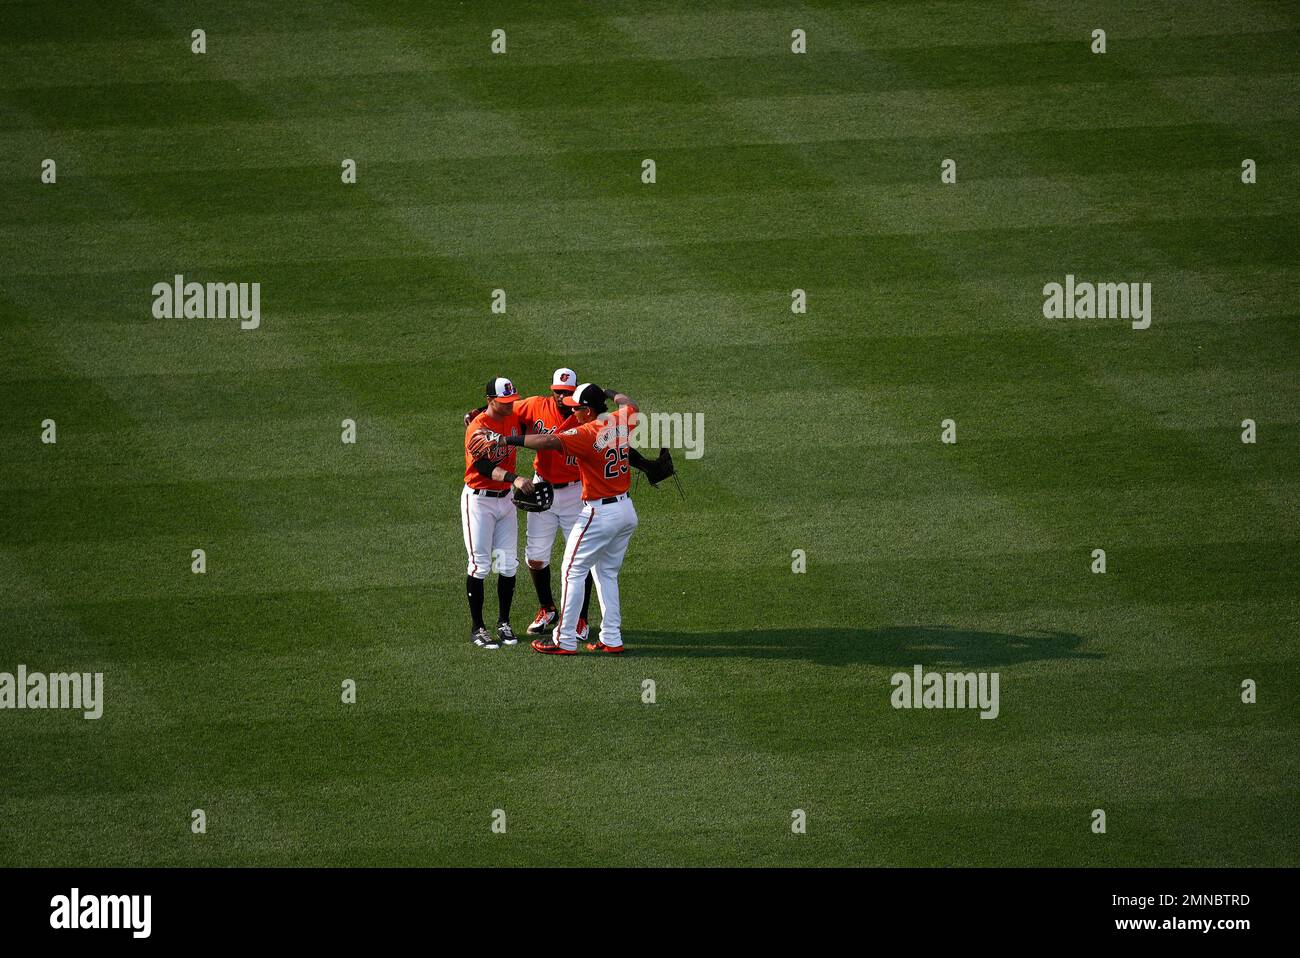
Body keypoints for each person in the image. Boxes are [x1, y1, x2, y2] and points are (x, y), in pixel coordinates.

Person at [479, 383, 638, 655]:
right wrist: (609, 392)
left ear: (587, 410)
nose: (572, 413)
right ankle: (611, 638)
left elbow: (549, 441)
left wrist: (504, 440)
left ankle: (563, 639)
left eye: (577, 409)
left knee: (571, 571)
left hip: (600, 513)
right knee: (607, 573)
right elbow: (629, 402)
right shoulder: (621, 418)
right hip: (626, 512)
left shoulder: (588, 431)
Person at [461, 377, 532, 649]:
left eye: (511, 401)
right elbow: (482, 466)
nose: (510, 406)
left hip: (505, 502)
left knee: (507, 563)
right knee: (480, 564)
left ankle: (504, 622)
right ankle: (478, 627)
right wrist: (514, 478)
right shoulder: (477, 429)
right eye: (503, 403)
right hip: (479, 502)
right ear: (491, 401)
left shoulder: (513, 415)